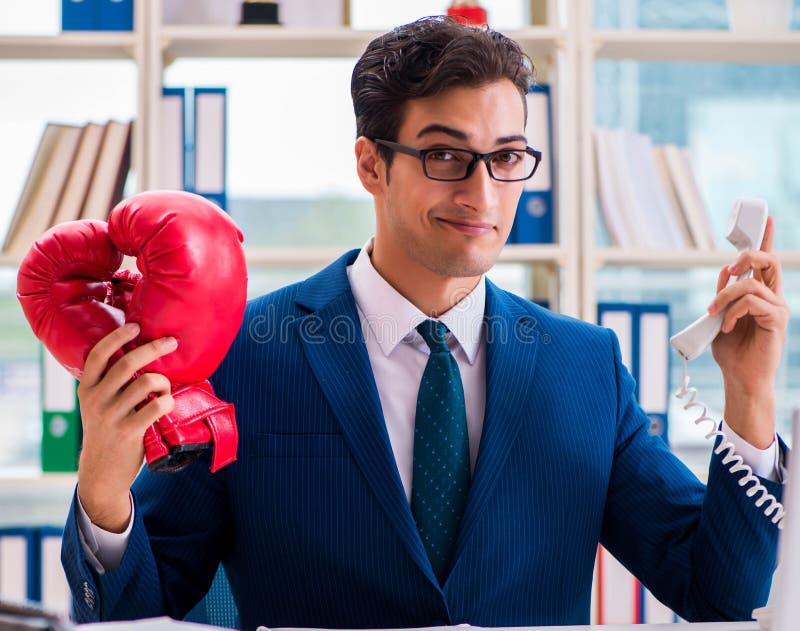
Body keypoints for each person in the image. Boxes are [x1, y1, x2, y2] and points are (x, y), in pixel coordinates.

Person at [62, 16, 789, 631]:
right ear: (371, 165)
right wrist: (102, 488)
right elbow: (134, 612)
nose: (483, 192)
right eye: (446, 155)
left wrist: (750, 398)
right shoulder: (245, 356)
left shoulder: (586, 366)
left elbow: (717, 590)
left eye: (506, 157)